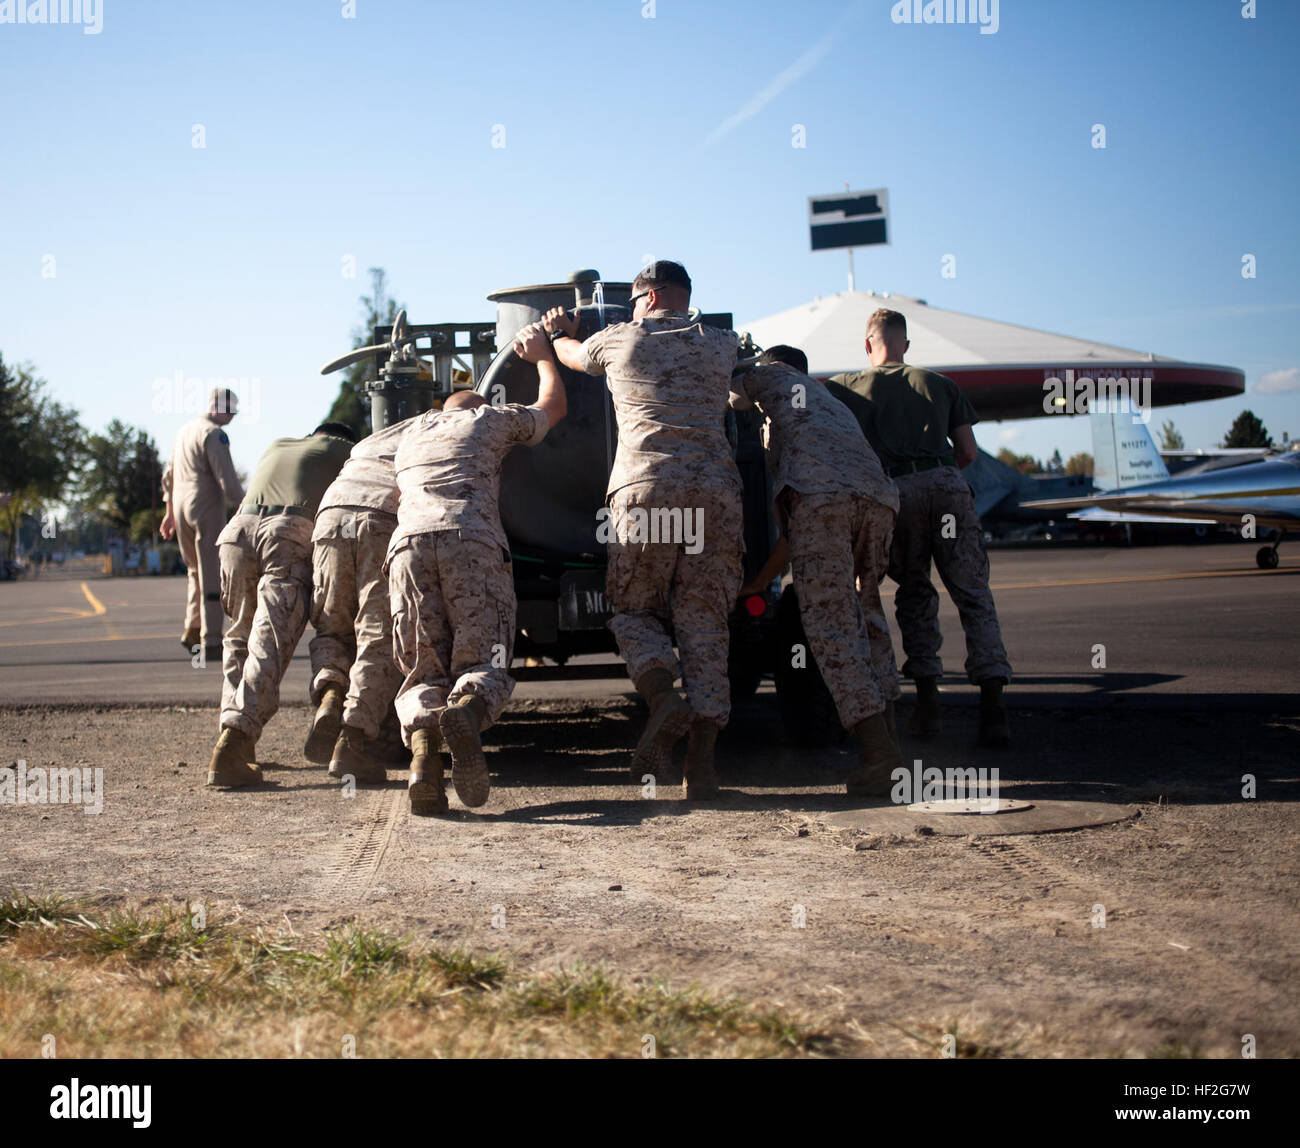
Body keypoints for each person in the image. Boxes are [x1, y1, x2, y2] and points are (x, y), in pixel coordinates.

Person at [544, 260, 742, 799]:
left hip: (645, 493)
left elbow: (572, 358)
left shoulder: (618, 340)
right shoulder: (722, 344)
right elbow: (746, 391)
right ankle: (700, 767)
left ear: (648, 298)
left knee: (633, 610)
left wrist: (560, 334)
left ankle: (661, 696)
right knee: (705, 624)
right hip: (716, 497)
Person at [388, 324, 566, 815]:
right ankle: (466, 714)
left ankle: (424, 764)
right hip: (470, 541)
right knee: (481, 658)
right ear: (479, 407)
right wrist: (543, 357)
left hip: (407, 549)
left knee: (423, 665)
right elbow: (553, 410)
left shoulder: (410, 437)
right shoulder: (488, 421)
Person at [829, 309, 1012, 746]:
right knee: (972, 593)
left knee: (913, 591)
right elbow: (966, 451)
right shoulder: (941, 383)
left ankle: (928, 710)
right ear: (906, 344)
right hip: (947, 489)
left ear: (868, 344)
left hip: (896, 492)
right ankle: (993, 714)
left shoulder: (847, 387)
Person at [731, 345, 904, 793]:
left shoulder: (771, 377)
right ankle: (893, 740)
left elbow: (725, 393)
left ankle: (879, 756)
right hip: (878, 502)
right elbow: (799, 534)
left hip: (824, 503)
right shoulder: (829, 404)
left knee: (831, 629)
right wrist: (761, 582)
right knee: (867, 616)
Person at [206, 423, 357, 788]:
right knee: (269, 642)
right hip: (288, 529)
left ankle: (237, 736)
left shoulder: (278, 444)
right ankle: (236, 741)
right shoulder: (346, 451)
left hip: (236, 533)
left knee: (239, 637)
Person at [304, 417, 409, 785]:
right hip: (379, 514)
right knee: (376, 633)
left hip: (331, 516)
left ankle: (331, 693)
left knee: (332, 624)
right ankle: (354, 738)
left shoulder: (368, 444)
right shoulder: (436, 431)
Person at [160, 388, 244, 661]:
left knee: (194, 571)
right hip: (205, 504)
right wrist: (244, 507)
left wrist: (169, 512)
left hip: (180, 504)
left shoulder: (184, 430)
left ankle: (192, 627)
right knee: (212, 571)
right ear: (219, 407)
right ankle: (211, 640)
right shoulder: (214, 435)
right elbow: (227, 479)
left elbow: (168, 475)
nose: (232, 417)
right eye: (231, 411)